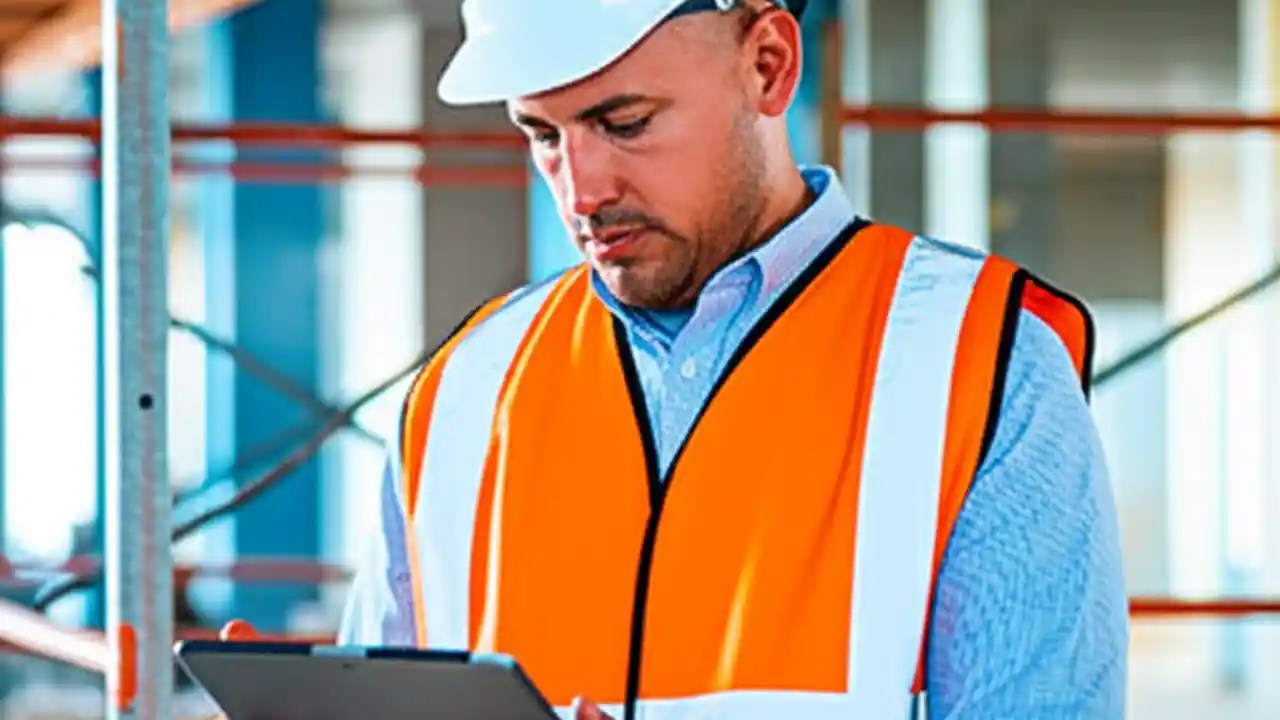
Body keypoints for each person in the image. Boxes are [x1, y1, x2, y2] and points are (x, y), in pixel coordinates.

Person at [339, 0, 1129, 718]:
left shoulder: (979, 361)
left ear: (768, 65)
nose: (582, 192)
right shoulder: (463, 391)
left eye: (625, 123)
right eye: (544, 136)